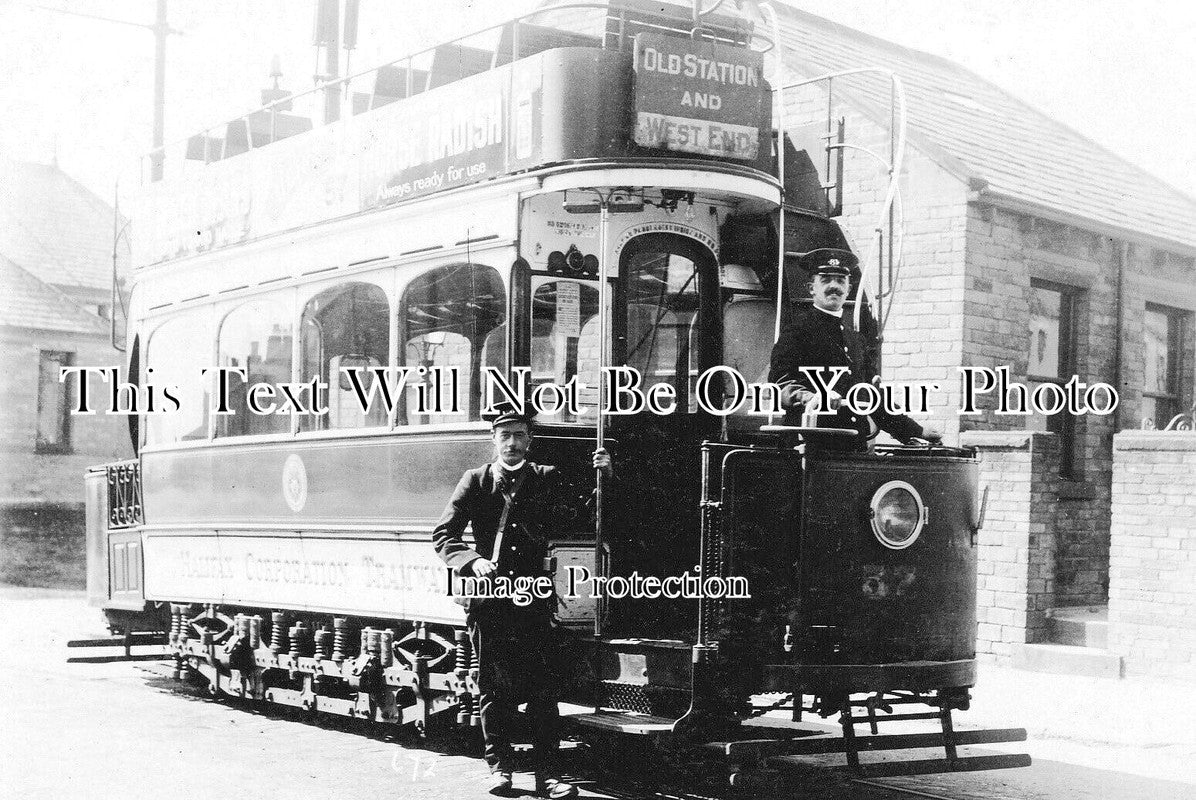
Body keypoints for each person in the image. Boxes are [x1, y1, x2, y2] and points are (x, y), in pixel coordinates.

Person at [432, 403, 613, 798]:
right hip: (490, 605)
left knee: (542, 693)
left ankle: (548, 777)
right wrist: (472, 561)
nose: (511, 443)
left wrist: (604, 479)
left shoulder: (547, 478)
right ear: (493, 440)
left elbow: (581, 518)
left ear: (530, 441)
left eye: (518, 435)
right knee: (494, 691)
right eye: (504, 436)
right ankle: (500, 771)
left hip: (534, 603)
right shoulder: (476, 481)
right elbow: (443, 534)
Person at [768, 248, 941, 447]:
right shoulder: (797, 332)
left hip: (852, 446)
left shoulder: (855, 340)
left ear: (848, 289)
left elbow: (873, 398)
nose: (834, 286)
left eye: (841, 281)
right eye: (825, 280)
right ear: (811, 288)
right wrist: (814, 398)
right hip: (811, 446)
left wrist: (917, 431)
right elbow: (782, 384)